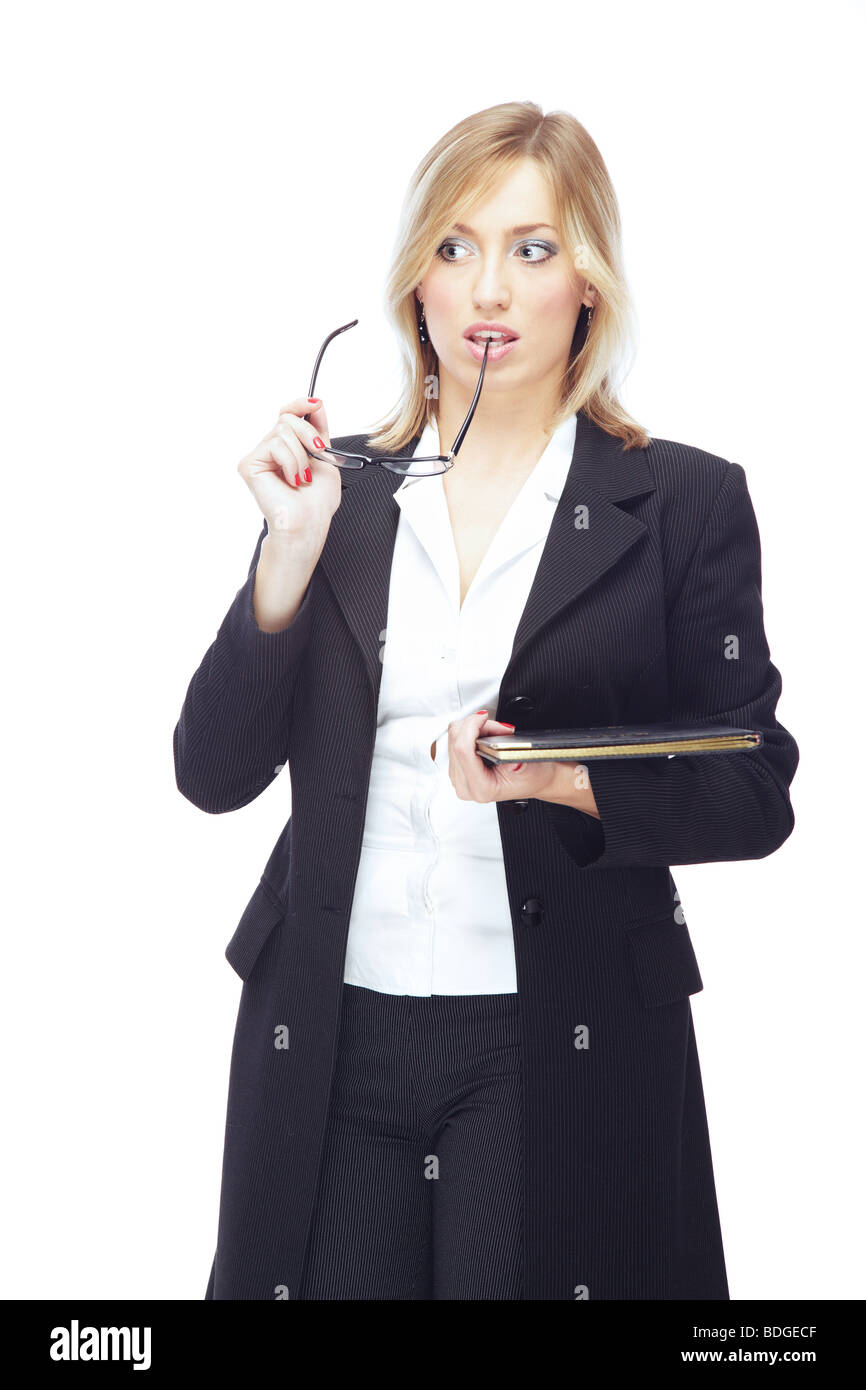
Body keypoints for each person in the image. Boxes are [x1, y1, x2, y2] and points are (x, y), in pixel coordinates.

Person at [173, 101, 799, 1301]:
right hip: (333, 1032)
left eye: (532, 246)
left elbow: (750, 785)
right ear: (416, 282)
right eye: (454, 248)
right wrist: (284, 561)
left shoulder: (681, 502)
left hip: (546, 1039)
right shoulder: (336, 491)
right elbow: (211, 774)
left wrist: (560, 777)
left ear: (589, 283)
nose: (488, 291)